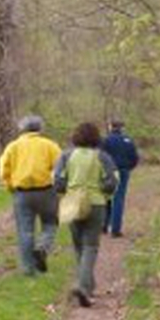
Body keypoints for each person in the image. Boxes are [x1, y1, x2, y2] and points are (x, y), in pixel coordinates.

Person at [54, 122, 119, 307]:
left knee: (78, 246)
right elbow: (112, 182)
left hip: (72, 202)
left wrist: (67, 191)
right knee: (90, 246)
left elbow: (57, 181)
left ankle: (86, 286)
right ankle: (84, 288)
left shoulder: (66, 155)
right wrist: (103, 192)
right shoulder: (103, 157)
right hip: (96, 203)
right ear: (96, 138)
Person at [0, 115, 62, 275]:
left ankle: (28, 269)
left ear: (22, 129)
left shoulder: (13, 147)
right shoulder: (50, 145)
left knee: (25, 231)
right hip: (46, 191)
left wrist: (10, 186)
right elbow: (61, 167)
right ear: (40, 128)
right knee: (50, 224)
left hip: (22, 192)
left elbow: (4, 170)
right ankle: (42, 247)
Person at [101, 119, 140, 237]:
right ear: (122, 128)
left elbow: (99, 156)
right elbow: (135, 157)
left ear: (110, 127)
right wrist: (128, 168)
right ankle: (115, 230)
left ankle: (103, 226)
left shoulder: (105, 140)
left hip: (108, 172)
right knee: (119, 198)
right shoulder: (128, 141)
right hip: (123, 171)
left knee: (106, 197)